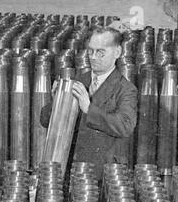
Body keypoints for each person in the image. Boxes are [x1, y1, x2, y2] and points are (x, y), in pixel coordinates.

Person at [39, 26, 138, 166]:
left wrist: (88, 109)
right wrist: (57, 103)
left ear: (117, 52)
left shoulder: (126, 89)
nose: (93, 57)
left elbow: (124, 126)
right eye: (90, 51)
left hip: (102, 171)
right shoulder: (78, 81)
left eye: (100, 52)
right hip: (72, 168)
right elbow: (44, 120)